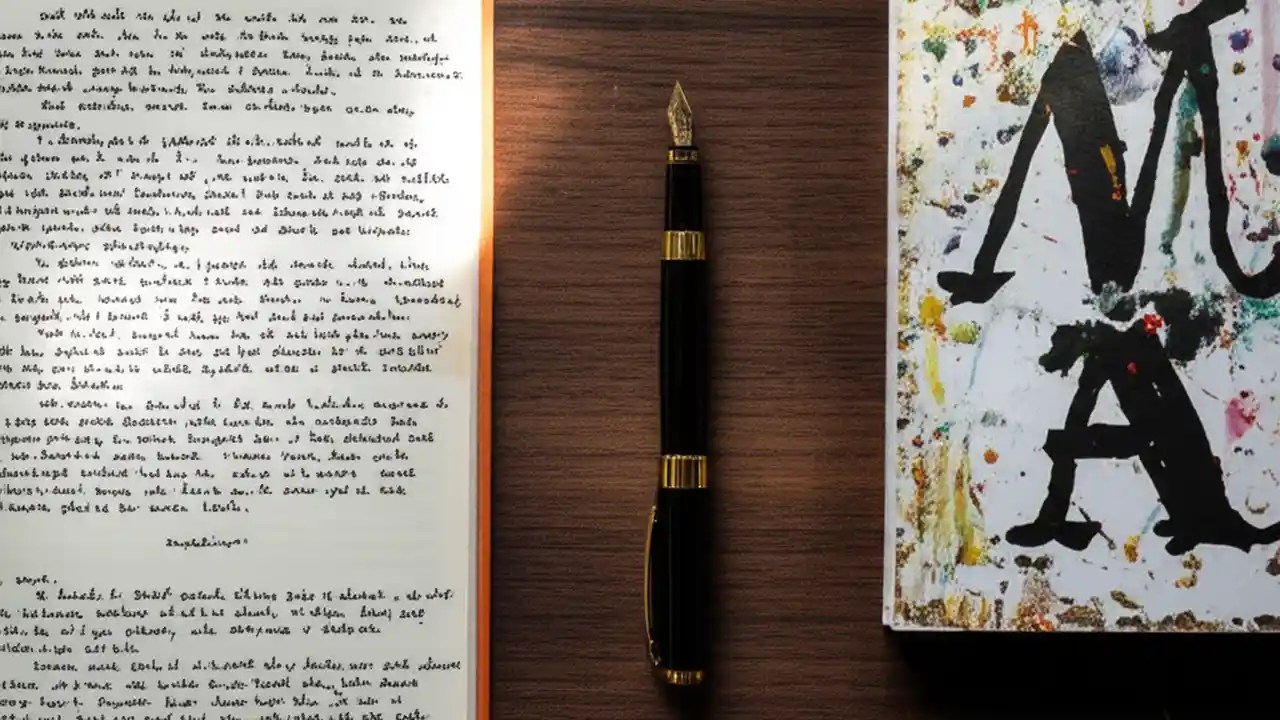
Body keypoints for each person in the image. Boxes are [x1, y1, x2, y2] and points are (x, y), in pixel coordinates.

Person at [938, 0, 1280, 555]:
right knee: (1122, 380)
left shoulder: (1091, 79)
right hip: (1117, 262)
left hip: (1130, 268)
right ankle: (1194, 514)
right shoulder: (1082, 77)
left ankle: (1196, 514)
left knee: (1125, 382)